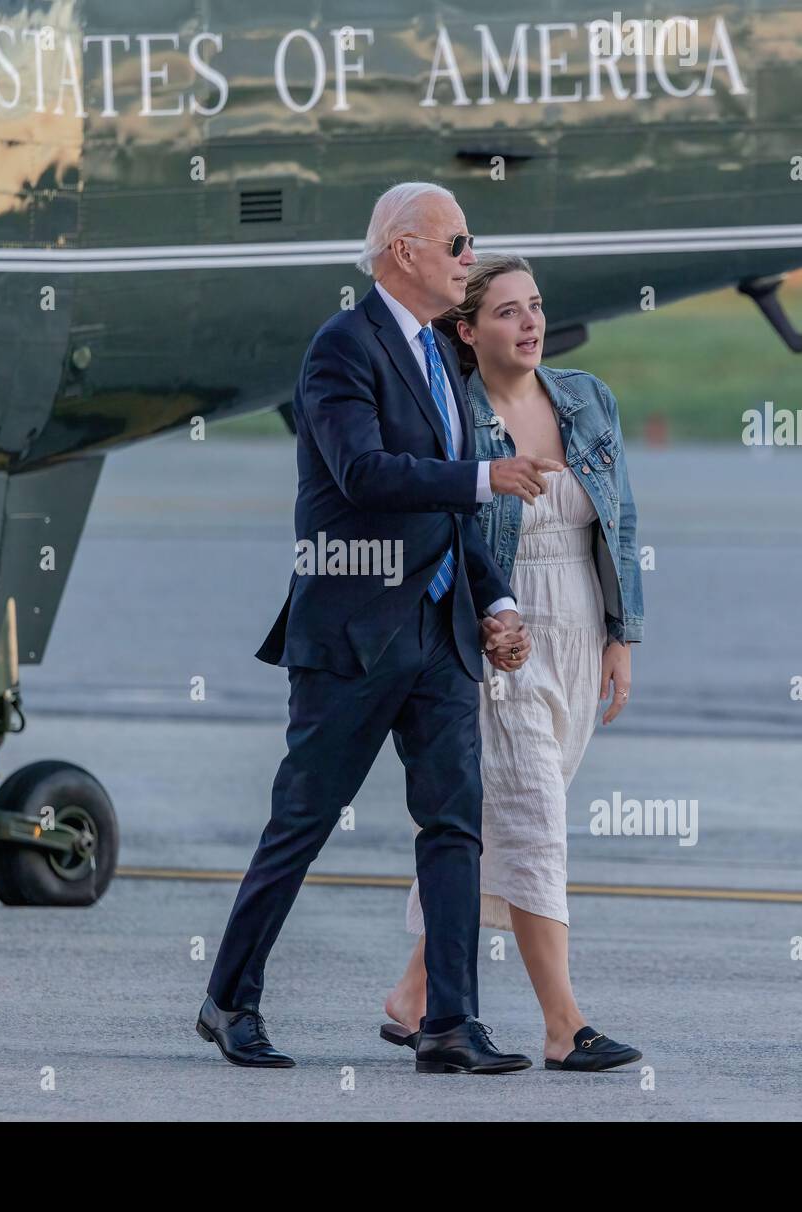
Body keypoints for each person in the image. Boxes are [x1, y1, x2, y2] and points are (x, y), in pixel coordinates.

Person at [197, 185, 562, 1074]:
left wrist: (497, 601)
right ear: (404, 251)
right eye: (458, 243)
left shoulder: (441, 354)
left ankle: (448, 1024)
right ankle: (228, 1001)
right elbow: (364, 474)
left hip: (438, 633)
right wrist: (483, 476)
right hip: (355, 632)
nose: (469, 258)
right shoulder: (341, 349)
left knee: (454, 828)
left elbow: (446, 505)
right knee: (303, 821)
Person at [381, 254, 646, 1072]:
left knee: (499, 827)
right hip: (499, 636)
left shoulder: (586, 398)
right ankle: (565, 1024)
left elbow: (621, 525)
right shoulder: (450, 417)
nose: (529, 323)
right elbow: (439, 529)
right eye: (506, 312)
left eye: (534, 307)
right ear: (466, 330)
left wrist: (619, 635)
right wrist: (478, 613)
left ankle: (412, 995)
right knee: (533, 821)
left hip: (575, 631)